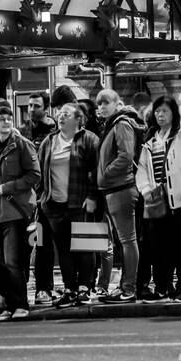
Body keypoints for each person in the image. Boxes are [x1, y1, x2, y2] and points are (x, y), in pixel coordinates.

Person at [135, 96, 181, 302]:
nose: (160, 115)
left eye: (165, 111)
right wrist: (146, 190)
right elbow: (142, 170)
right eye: (157, 111)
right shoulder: (150, 141)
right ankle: (163, 286)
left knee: (179, 247)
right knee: (158, 246)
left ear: (173, 113)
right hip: (157, 202)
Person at [0, 104, 40, 321]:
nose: (5, 122)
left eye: (8, 118)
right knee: (2, 263)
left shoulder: (22, 145)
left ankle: (20, 305)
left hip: (15, 212)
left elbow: (34, 175)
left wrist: (9, 187)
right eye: (1, 119)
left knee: (13, 261)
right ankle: (9, 306)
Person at [37, 101, 101, 307]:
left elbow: (96, 171)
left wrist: (92, 196)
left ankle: (85, 288)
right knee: (63, 249)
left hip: (81, 202)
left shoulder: (90, 139)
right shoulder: (49, 141)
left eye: (66, 114)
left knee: (86, 246)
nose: (61, 117)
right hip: (54, 204)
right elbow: (39, 171)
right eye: (59, 114)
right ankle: (69, 288)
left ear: (78, 119)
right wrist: (41, 198)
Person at [96, 88, 144, 303]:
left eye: (106, 102)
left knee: (127, 240)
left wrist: (104, 175)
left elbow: (126, 156)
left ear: (117, 103)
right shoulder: (114, 124)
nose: (102, 107)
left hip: (120, 188)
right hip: (116, 188)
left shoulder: (121, 124)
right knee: (125, 241)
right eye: (99, 104)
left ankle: (128, 288)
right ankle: (126, 286)